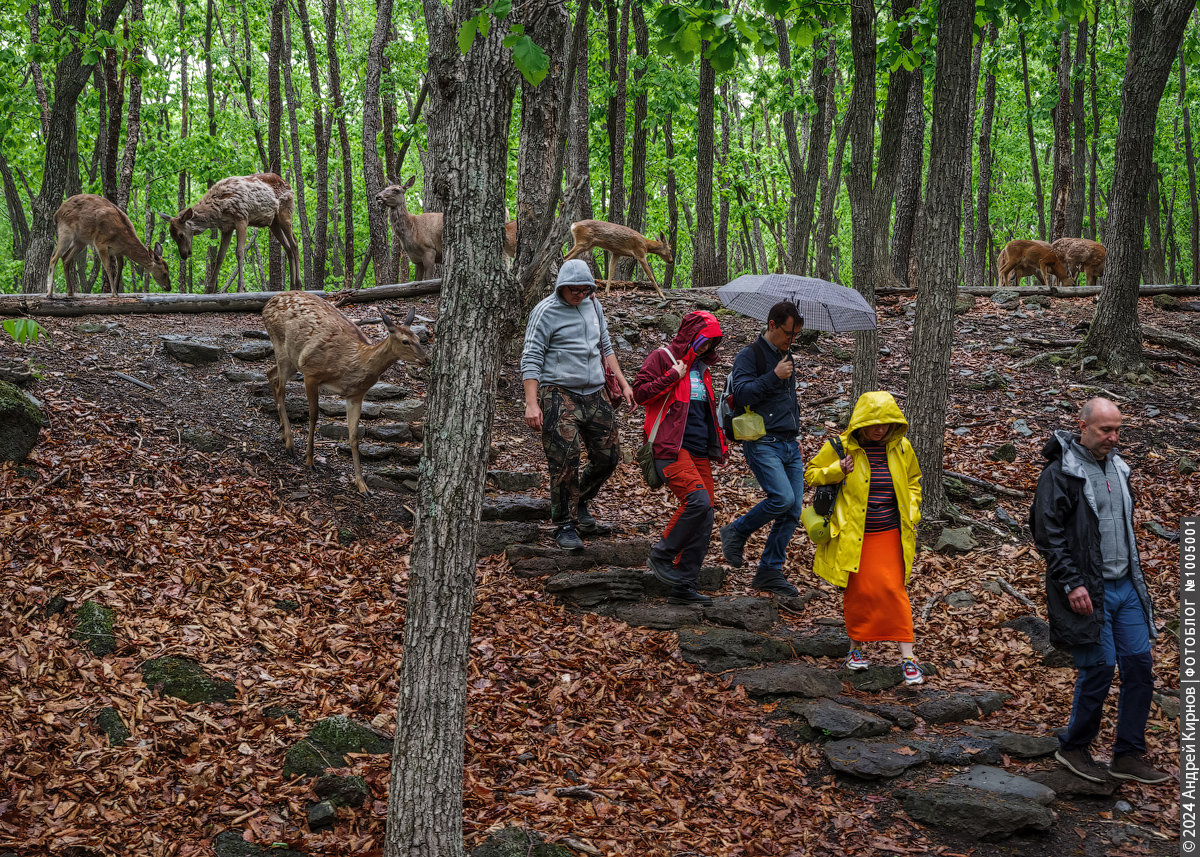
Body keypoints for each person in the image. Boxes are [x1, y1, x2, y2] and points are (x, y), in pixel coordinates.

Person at [1031, 398, 1167, 785]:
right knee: (1100, 668)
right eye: (1106, 429)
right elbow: (1047, 535)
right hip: (1088, 589)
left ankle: (1128, 754)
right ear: (1083, 426)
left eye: (1118, 429)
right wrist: (1071, 582)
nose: (1113, 437)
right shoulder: (1060, 473)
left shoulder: (1119, 466)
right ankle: (1074, 746)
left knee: (1140, 668)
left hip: (1126, 587)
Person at [805, 391, 925, 685]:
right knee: (858, 593)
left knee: (894, 591)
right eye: (873, 423)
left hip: (891, 535)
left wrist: (913, 510)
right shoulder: (840, 446)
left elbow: (913, 481)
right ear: (861, 422)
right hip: (855, 534)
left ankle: (908, 659)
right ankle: (855, 650)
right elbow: (811, 473)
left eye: (885, 423)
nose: (879, 429)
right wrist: (837, 470)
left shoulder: (901, 447)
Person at [522, 259, 635, 550]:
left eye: (585, 290)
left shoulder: (593, 305)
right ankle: (564, 524)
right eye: (574, 290)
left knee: (609, 456)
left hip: (595, 391)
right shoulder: (545, 311)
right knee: (565, 459)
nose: (580, 295)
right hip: (558, 391)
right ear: (561, 286)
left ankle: (580, 501)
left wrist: (622, 382)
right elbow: (532, 357)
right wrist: (531, 403)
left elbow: (605, 345)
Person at [633, 311, 727, 606]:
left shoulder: (704, 370)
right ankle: (661, 555)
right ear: (691, 335)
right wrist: (672, 376)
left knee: (706, 514)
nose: (706, 348)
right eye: (703, 341)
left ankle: (684, 585)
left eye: (711, 344)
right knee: (697, 502)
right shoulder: (662, 357)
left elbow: (703, 414)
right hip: (670, 447)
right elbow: (640, 393)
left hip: (700, 451)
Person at [717, 300, 805, 596]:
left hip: (790, 442)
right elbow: (741, 393)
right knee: (781, 498)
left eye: (795, 336)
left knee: (792, 510)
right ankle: (736, 531)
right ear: (772, 325)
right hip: (762, 440)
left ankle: (769, 570)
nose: (791, 341)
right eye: (788, 334)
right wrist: (773, 376)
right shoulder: (749, 355)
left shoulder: (787, 356)